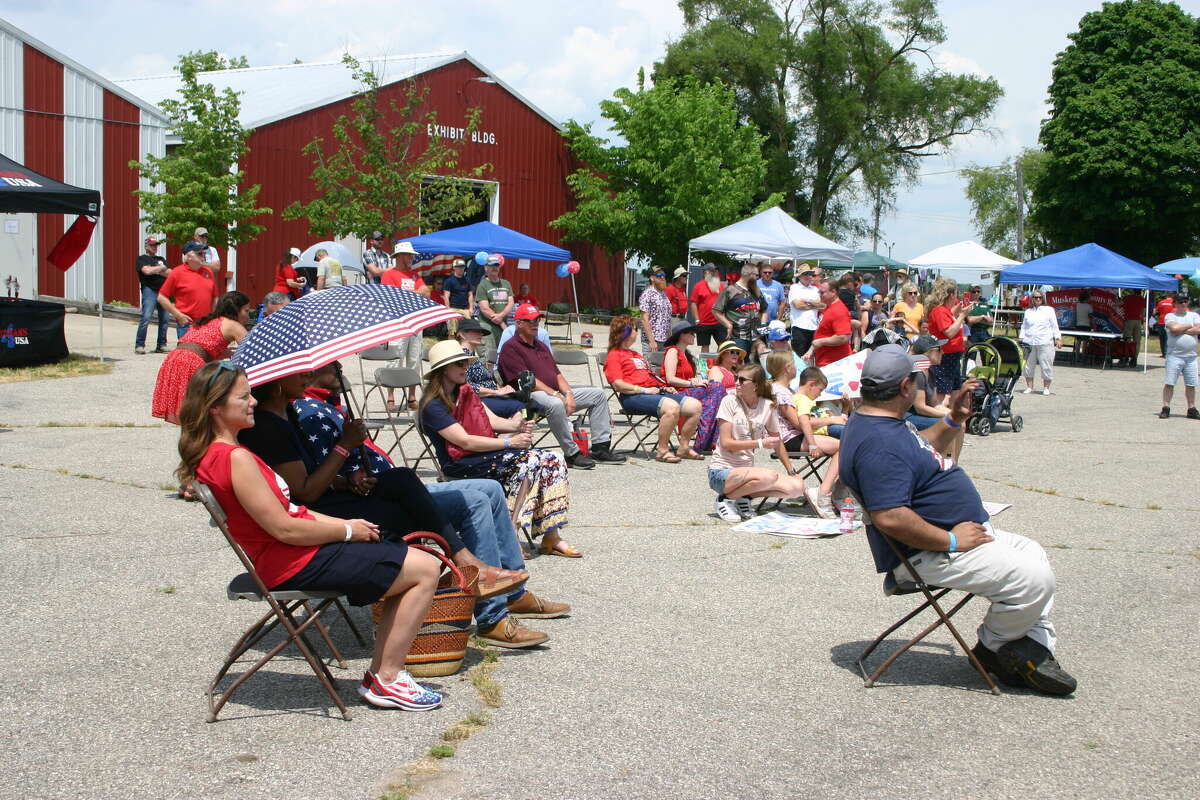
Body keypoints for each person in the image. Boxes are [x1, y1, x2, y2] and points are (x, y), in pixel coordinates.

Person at [179, 362, 443, 710]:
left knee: (404, 556)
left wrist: (353, 525)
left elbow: (291, 509)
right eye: (243, 397)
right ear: (216, 407)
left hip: (289, 555)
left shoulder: (217, 453)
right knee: (425, 568)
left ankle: (382, 675)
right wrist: (347, 530)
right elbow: (284, 527)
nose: (253, 402)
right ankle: (389, 678)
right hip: (290, 561)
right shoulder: (235, 458)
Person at [839, 344, 1077, 696]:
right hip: (928, 553)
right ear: (905, 387)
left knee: (1033, 553)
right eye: (917, 380)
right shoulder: (880, 442)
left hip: (952, 539)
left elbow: (918, 450)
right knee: (1035, 579)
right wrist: (951, 541)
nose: (920, 385)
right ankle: (994, 649)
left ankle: (1026, 650)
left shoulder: (879, 422)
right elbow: (890, 517)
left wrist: (953, 419)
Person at [294, 363, 565, 649]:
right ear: (309, 371)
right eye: (459, 364)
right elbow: (310, 485)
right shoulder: (309, 413)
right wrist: (347, 455)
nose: (340, 367)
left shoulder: (332, 406)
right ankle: (492, 617)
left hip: (391, 487)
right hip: (386, 497)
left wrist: (350, 473)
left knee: (492, 489)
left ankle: (513, 596)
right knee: (474, 501)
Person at [421, 340, 581, 558]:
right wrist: (509, 443)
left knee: (554, 457)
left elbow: (493, 421)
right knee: (530, 462)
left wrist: (518, 425)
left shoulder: (465, 392)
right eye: (459, 364)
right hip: (461, 463)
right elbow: (465, 442)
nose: (465, 367)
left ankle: (551, 535)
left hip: (485, 455)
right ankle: (510, 535)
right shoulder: (433, 406)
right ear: (443, 370)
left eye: (465, 362)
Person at [498, 303, 626, 469]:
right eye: (530, 321)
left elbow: (557, 374)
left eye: (537, 320)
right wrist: (556, 395)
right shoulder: (511, 348)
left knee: (598, 394)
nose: (535, 324)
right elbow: (529, 381)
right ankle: (572, 453)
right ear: (519, 323)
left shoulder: (541, 345)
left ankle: (600, 448)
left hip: (553, 393)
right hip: (527, 399)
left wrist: (569, 394)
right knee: (556, 403)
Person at [707, 363, 809, 522]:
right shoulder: (729, 400)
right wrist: (760, 443)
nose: (736, 383)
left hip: (747, 473)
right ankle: (725, 500)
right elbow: (726, 443)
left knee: (796, 488)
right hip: (721, 472)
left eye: (742, 380)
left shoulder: (767, 405)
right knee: (768, 477)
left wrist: (791, 471)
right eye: (736, 378)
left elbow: (777, 441)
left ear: (755, 385)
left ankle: (743, 498)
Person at [603, 316, 704, 462]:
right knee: (672, 407)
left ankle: (683, 447)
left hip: (654, 392)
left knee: (695, 406)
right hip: (632, 396)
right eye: (635, 329)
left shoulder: (636, 354)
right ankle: (662, 451)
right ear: (625, 332)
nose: (637, 332)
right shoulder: (614, 355)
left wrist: (664, 387)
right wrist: (644, 390)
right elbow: (618, 385)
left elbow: (650, 376)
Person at [152, 291, 250, 427]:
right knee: (201, 410)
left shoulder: (209, 320)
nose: (248, 316)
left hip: (174, 358)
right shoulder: (234, 325)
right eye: (246, 310)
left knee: (188, 411)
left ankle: (192, 438)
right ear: (236, 310)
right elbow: (251, 351)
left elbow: (202, 346)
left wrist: (225, 353)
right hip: (191, 362)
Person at [660, 320, 725, 453]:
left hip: (687, 392)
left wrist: (695, 380)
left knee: (718, 391)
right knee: (715, 393)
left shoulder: (687, 355)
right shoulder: (673, 351)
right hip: (674, 394)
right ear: (681, 335)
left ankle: (708, 440)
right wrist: (691, 383)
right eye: (691, 333)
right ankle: (706, 441)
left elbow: (687, 379)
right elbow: (670, 379)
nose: (694, 335)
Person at [790, 366, 846, 518]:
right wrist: (812, 444)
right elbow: (804, 421)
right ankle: (825, 491)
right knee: (847, 447)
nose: (820, 394)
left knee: (849, 446)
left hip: (811, 435)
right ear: (811, 384)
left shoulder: (800, 398)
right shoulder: (803, 399)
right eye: (820, 390)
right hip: (805, 438)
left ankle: (830, 491)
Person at [382, 241, 430, 412]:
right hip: (397, 323)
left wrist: (406, 294)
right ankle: (391, 396)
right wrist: (415, 294)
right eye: (409, 255)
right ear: (399, 256)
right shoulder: (389, 274)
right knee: (395, 359)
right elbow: (392, 297)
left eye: (412, 255)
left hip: (415, 322)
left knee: (414, 359)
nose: (411, 258)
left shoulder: (415, 275)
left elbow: (427, 292)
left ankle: (411, 397)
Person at [158, 241, 219, 338]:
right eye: (199, 253)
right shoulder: (177, 273)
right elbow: (161, 297)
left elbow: (215, 297)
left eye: (203, 253)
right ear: (189, 256)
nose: (203, 256)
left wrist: (214, 317)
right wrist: (178, 315)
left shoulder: (208, 272)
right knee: (188, 348)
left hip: (206, 324)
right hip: (187, 325)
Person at [925, 277, 970, 402]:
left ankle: (953, 412)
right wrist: (962, 316)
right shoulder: (939, 311)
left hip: (953, 356)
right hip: (945, 357)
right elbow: (949, 332)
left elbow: (950, 318)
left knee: (955, 389)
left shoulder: (945, 311)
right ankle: (939, 412)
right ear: (951, 294)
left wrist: (959, 310)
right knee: (943, 393)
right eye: (956, 293)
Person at [1159, 294, 1200, 419]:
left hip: (1191, 357)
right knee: (1170, 383)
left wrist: (1180, 329)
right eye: (1180, 301)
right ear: (1175, 304)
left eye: (1185, 301)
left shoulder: (1194, 315)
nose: (1183, 304)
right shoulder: (1170, 316)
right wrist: (1189, 325)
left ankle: (1191, 408)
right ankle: (1166, 407)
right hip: (1174, 356)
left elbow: (1198, 330)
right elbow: (1173, 328)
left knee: (1191, 384)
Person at [1019, 289, 1061, 396]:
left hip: (1045, 341)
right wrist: (1021, 337)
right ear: (1032, 299)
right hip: (1029, 342)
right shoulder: (1028, 311)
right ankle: (1029, 387)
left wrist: (1058, 338)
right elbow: (1024, 326)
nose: (1037, 299)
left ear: (1043, 298)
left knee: (1046, 364)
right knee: (1028, 365)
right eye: (1035, 297)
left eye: (1039, 297)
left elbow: (1054, 325)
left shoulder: (1049, 310)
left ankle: (1046, 388)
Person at [135, 235, 171, 355]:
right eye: (152, 245)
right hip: (149, 290)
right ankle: (139, 345)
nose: (155, 247)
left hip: (163, 291)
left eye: (156, 245)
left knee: (164, 319)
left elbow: (170, 273)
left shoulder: (161, 258)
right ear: (146, 246)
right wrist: (161, 269)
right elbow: (146, 271)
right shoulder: (142, 259)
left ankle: (161, 345)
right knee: (146, 317)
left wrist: (154, 269)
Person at [713, 264, 766, 343]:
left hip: (756, 337)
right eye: (756, 275)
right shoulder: (730, 290)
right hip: (737, 338)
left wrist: (763, 326)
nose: (758, 278)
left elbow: (764, 310)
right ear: (749, 274)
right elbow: (716, 310)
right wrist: (728, 325)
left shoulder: (756, 291)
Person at [806, 279, 853, 367]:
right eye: (819, 292)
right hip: (826, 361)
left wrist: (821, 342)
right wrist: (811, 350)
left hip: (834, 364)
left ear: (833, 292)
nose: (819, 294)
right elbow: (824, 332)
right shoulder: (829, 307)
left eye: (822, 292)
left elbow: (843, 337)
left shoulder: (839, 310)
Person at [476, 259, 515, 347]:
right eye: (492, 265)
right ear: (486, 268)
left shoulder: (506, 283)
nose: (495, 268)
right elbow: (484, 309)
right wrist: (501, 322)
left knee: (504, 351)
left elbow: (510, 303)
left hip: (503, 325)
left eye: (496, 265)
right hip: (487, 327)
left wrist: (501, 316)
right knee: (489, 353)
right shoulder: (482, 285)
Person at [787, 267, 824, 357]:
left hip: (814, 327)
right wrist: (814, 304)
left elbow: (822, 305)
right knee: (799, 356)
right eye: (805, 274)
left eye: (810, 274)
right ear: (799, 276)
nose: (808, 276)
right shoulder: (794, 287)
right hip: (799, 327)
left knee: (811, 357)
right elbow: (798, 305)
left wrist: (807, 301)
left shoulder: (815, 289)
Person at [689, 266, 726, 348]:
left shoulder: (720, 285)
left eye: (715, 271)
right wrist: (697, 319)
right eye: (712, 271)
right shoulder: (698, 286)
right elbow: (693, 303)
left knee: (723, 346)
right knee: (705, 347)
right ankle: (705, 359)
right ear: (706, 273)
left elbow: (724, 302)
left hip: (718, 321)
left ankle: (719, 357)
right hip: (703, 323)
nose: (715, 273)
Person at [638, 269, 673, 352]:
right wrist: (652, 341)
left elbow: (667, 318)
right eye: (659, 276)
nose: (662, 278)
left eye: (664, 276)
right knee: (651, 361)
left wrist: (670, 339)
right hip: (652, 342)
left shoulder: (664, 295)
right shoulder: (647, 294)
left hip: (664, 341)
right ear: (652, 278)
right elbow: (644, 319)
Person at [441, 258, 474, 335]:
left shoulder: (467, 280)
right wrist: (448, 309)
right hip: (453, 308)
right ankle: (452, 341)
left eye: (462, 267)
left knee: (467, 331)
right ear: (454, 268)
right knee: (452, 331)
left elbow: (470, 294)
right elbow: (446, 296)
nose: (461, 269)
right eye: (458, 267)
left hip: (465, 309)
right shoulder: (449, 281)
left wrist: (471, 308)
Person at [1120, 290, 1146, 368]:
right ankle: (1134, 358)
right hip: (1138, 321)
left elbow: (1120, 305)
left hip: (1128, 320)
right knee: (1137, 341)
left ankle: (1126, 356)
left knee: (1127, 339)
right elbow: (1143, 311)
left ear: (1133, 291)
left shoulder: (1127, 298)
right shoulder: (1142, 299)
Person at [1154, 293, 1176, 357]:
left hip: (1161, 321)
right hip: (1170, 322)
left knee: (1162, 338)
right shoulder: (1174, 303)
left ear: (1166, 295)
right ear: (1172, 296)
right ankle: (1167, 353)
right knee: (1168, 338)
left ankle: (1164, 353)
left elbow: (1155, 312)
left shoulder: (1161, 302)